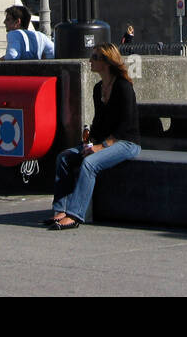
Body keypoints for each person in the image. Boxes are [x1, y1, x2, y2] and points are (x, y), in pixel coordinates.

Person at [46, 43, 140, 230]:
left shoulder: (123, 87)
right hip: (104, 142)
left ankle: (75, 215)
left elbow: (126, 126)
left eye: (95, 57)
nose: (90, 61)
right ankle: (60, 210)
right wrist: (90, 142)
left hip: (126, 143)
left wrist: (101, 146)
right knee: (64, 157)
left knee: (90, 164)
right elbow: (99, 122)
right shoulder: (99, 88)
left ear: (107, 61)